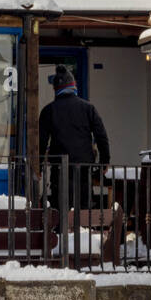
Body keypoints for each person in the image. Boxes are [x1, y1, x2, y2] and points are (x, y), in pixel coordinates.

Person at [39, 66, 110, 209]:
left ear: (56, 89)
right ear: (73, 86)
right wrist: (104, 161)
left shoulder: (48, 111)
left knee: (60, 205)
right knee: (83, 205)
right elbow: (101, 136)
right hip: (84, 166)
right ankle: (82, 229)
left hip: (59, 166)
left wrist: (39, 165)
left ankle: (62, 230)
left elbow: (41, 140)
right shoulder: (88, 108)